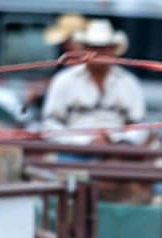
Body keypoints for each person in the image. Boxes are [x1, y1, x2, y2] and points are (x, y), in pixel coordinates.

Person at [40, 18, 148, 146]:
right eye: (93, 48)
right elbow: (50, 124)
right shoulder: (64, 80)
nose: (98, 53)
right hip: (72, 150)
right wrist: (84, 142)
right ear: (84, 49)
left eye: (104, 48)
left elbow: (140, 124)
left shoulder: (129, 82)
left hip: (119, 152)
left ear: (113, 50)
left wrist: (123, 142)